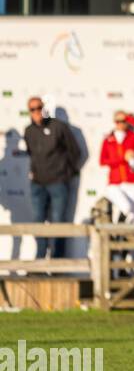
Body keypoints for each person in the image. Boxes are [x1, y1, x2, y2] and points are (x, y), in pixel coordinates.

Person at [22, 97, 83, 260]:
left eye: (38, 108)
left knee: (58, 221)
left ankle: (57, 261)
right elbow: (31, 153)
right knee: (38, 221)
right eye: (32, 109)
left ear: (44, 108)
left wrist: (65, 173)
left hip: (58, 182)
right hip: (37, 184)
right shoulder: (28, 131)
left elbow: (75, 152)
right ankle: (40, 258)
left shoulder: (59, 127)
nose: (36, 112)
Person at [99, 112, 134, 223]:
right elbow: (102, 161)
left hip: (133, 182)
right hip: (116, 183)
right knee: (126, 209)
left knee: (132, 218)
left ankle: (124, 238)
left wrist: (129, 118)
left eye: (123, 121)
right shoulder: (108, 140)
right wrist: (123, 159)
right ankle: (117, 235)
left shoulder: (133, 137)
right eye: (118, 121)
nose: (121, 124)